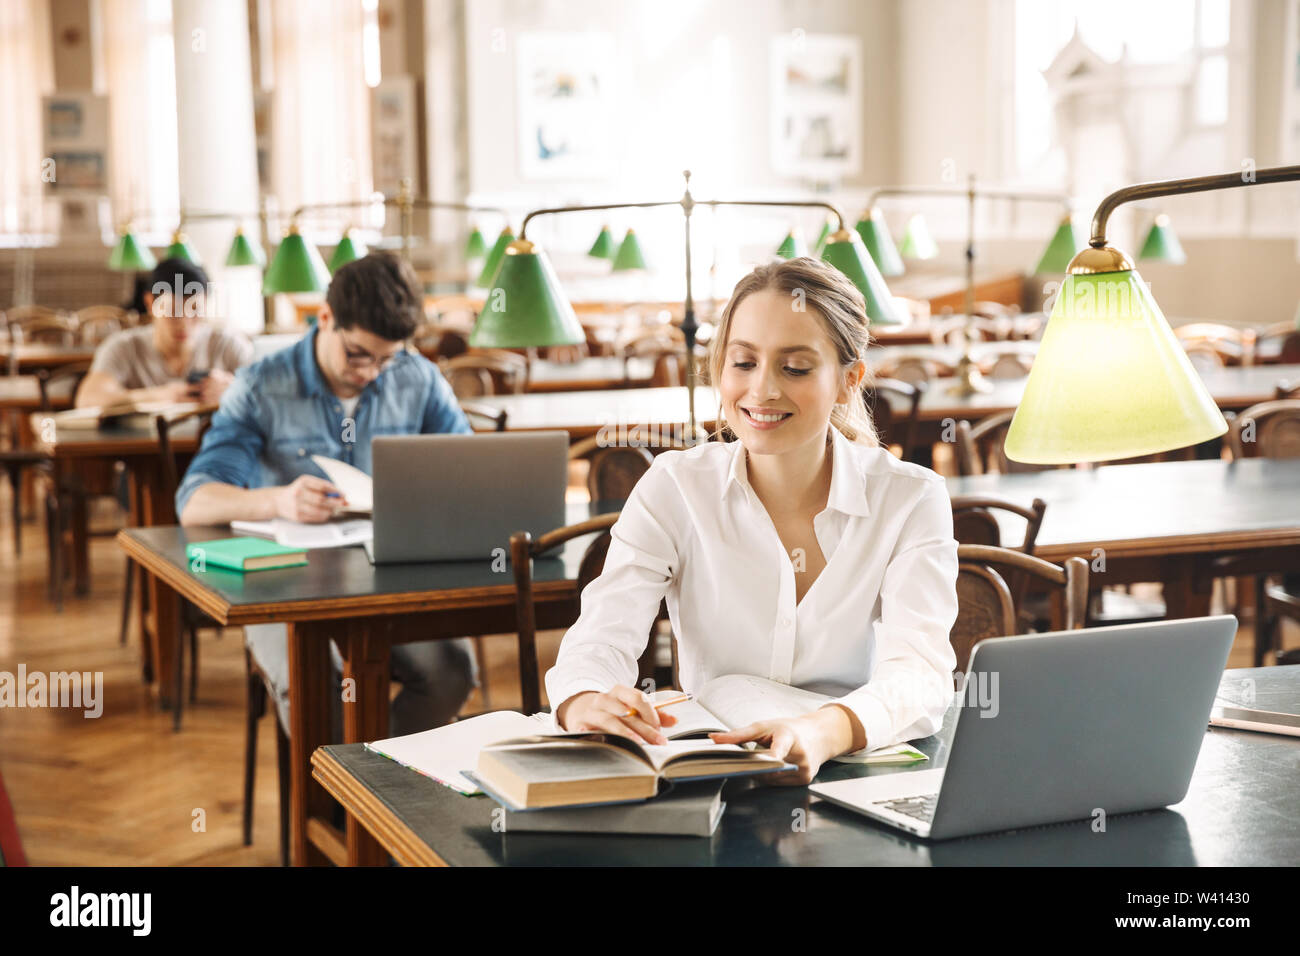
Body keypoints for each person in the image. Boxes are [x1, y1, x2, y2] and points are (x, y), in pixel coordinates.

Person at [544, 257, 959, 784]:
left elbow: (921, 672)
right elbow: (601, 637)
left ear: (848, 381)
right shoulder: (675, 487)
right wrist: (585, 699)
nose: (762, 390)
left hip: (852, 766)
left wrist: (822, 729)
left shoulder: (911, 498)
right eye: (743, 363)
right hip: (715, 773)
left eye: (796, 368)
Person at [176, 252, 477, 735]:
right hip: (284, 583)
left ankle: (372, 787)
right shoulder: (261, 384)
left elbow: (470, 476)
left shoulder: (416, 377)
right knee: (316, 683)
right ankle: (343, 804)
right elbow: (195, 502)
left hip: (390, 574)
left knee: (452, 674)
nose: (372, 372)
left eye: (387, 358)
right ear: (325, 319)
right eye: (359, 354)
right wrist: (278, 500)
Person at [77, 257, 253, 408]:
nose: (184, 322)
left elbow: (271, 398)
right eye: (172, 310)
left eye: (194, 309)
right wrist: (158, 396)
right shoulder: (123, 347)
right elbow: (88, 399)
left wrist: (234, 391)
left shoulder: (228, 345)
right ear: (149, 303)